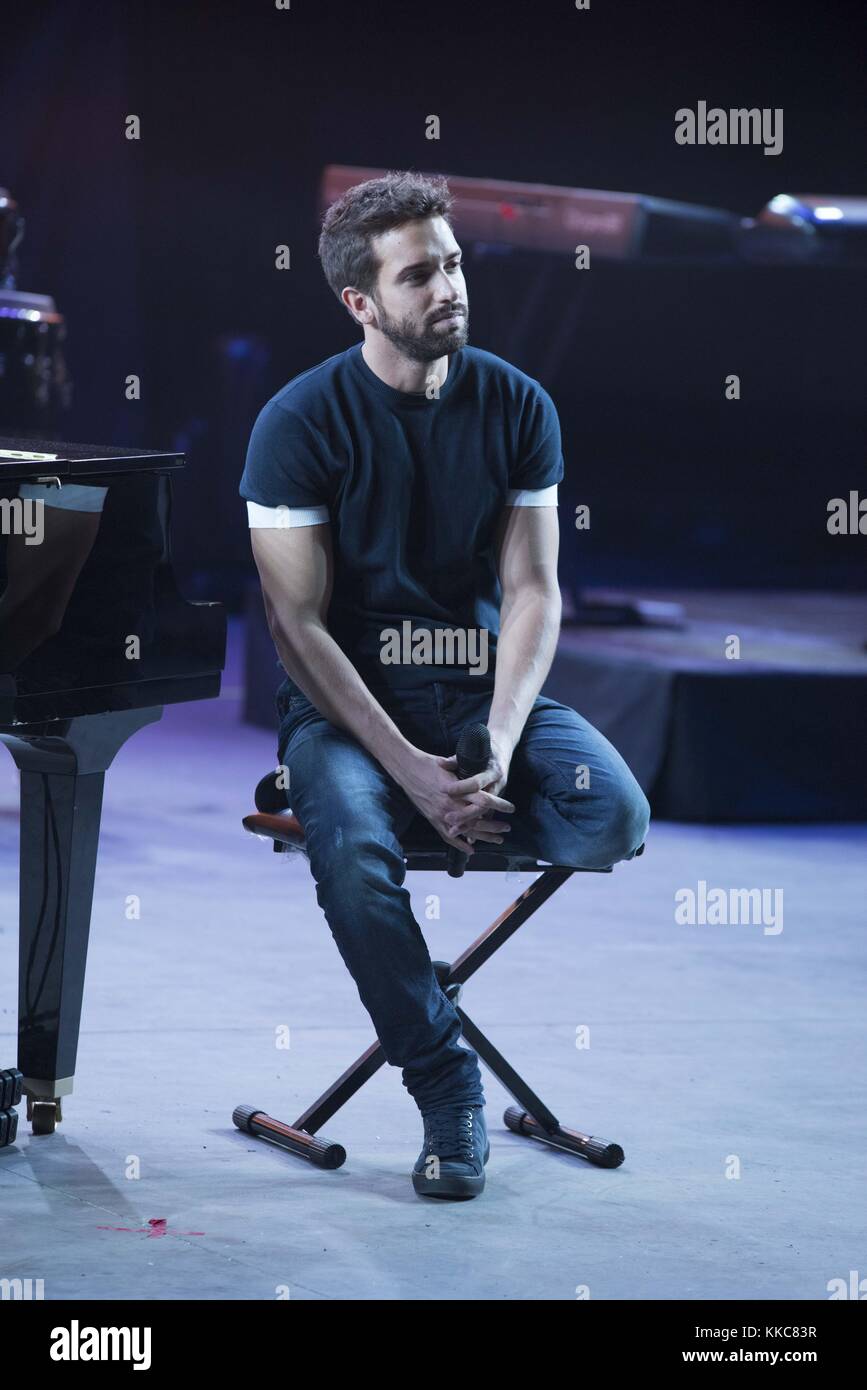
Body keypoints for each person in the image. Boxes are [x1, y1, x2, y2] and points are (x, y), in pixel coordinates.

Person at [240, 171, 650, 1201]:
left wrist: (500, 747)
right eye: (419, 274)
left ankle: (430, 860)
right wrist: (409, 777)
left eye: (453, 261)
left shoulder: (516, 403)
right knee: (359, 856)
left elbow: (535, 589)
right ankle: (444, 1083)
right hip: (343, 708)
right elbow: (295, 626)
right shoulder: (299, 422)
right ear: (361, 302)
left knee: (615, 818)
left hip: (474, 698)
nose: (449, 287)